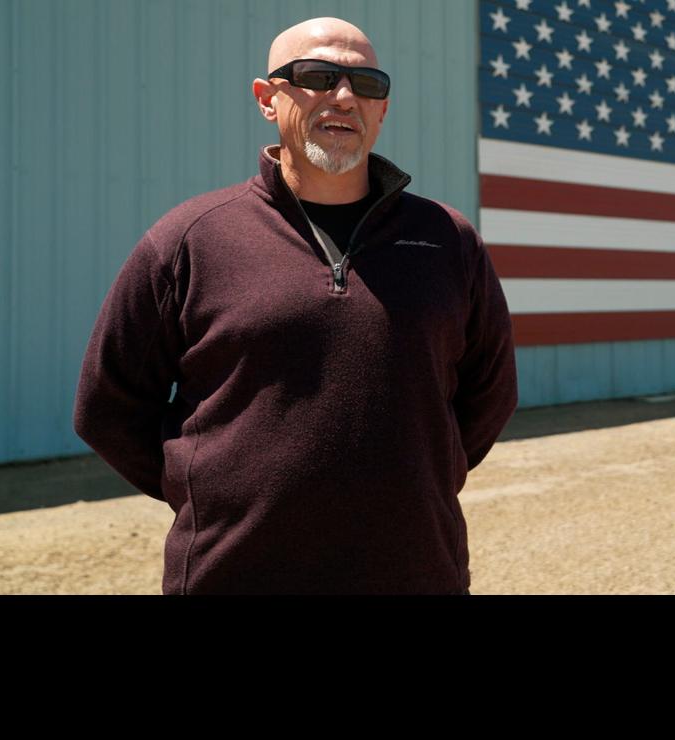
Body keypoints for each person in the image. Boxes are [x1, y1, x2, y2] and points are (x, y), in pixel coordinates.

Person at [73, 17, 517, 594]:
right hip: (233, 575)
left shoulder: (448, 241)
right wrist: (208, 488)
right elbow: (107, 405)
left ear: (383, 110)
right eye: (317, 76)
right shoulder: (190, 238)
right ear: (266, 98)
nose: (344, 97)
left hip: (415, 571)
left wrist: (430, 472)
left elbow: (490, 391)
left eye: (367, 84)